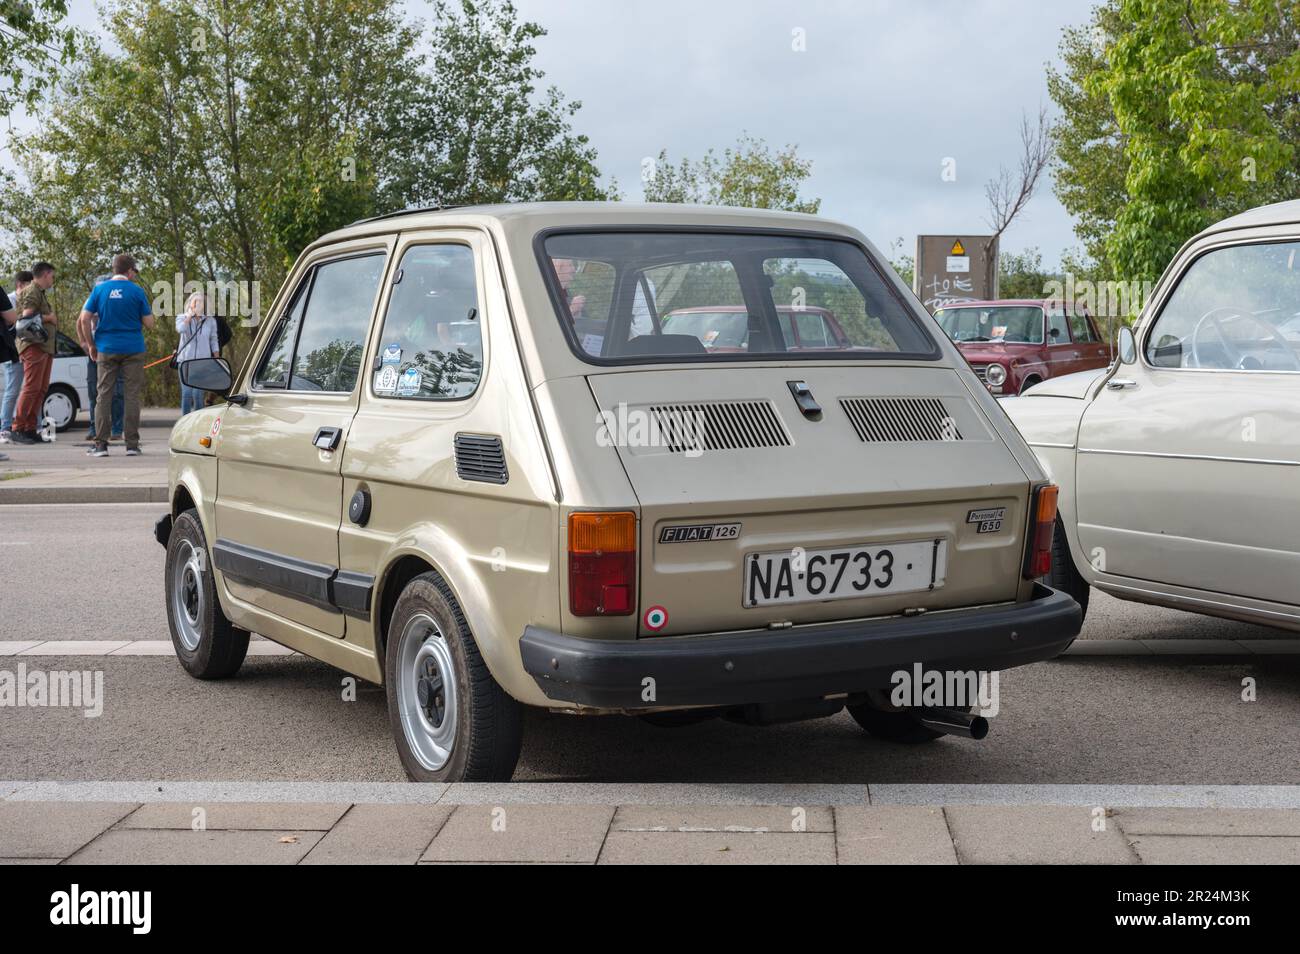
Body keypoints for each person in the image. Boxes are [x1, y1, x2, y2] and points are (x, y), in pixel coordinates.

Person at [78, 254, 154, 457]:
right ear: (129, 271)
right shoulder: (137, 291)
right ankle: (131, 445)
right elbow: (150, 323)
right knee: (131, 396)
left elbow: (84, 319)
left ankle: (101, 445)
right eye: (134, 272)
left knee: (104, 395)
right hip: (133, 348)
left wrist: (91, 345)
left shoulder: (100, 289)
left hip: (106, 348)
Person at [10, 262, 58, 445]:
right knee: (31, 388)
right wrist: (49, 318)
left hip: (44, 347)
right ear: (45, 274)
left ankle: (30, 428)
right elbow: (25, 319)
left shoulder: (39, 292)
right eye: (52, 276)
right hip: (33, 346)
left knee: (40, 389)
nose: (52, 279)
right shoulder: (32, 291)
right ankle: (17, 428)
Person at [80, 273, 125, 442]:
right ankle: (94, 427)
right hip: (95, 352)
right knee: (94, 392)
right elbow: (81, 321)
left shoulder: (115, 302)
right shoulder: (91, 301)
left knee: (117, 392)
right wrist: (85, 343)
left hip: (113, 349)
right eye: (97, 286)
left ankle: (116, 428)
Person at [175, 292, 219, 414]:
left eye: (200, 302)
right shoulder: (181, 318)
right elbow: (181, 329)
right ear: (190, 304)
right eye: (195, 302)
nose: (198, 304)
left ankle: (197, 421)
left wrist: (216, 358)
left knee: (198, 394)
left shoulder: (210, 321)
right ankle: (185, 421)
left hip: (202, 363)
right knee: (187, 393)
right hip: (185, 362)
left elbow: (214, 340)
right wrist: (189, 316)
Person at [0, 270, 25, 445]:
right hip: (10, 348)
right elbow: (11, 317)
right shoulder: (5, 295)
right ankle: (5, 428)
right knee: (11, 390)